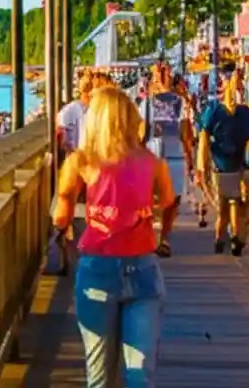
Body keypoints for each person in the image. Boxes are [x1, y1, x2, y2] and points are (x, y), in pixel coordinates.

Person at [52, 86, 177, 388]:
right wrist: (161, 233)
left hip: (97, 269)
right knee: (140, 375)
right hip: (143, 268)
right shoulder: (152, 162)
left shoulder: (80, 162)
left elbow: (61, 211)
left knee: (98, 376)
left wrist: (64, 231)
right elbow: (170, 202)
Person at [197, 71, 249, 256]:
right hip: (221, 165)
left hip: (240, 165)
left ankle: (235, 238)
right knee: (226, 206)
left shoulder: (246, 113)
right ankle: (221, 237)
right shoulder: (215, 110)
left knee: (237, 203)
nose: (237, 92)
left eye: (240, 88)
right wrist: (202, 164)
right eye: (235, 88)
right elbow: (204, 136)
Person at [139, 62, 196, 253]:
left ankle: (160, 237)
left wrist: (190, 157)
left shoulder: (174, 103)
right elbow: (142, 133)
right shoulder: (154, 104)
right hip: (164, 154)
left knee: (165, 199)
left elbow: (185, 133)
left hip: (165, 154)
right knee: (163, 200)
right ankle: (160, 237)